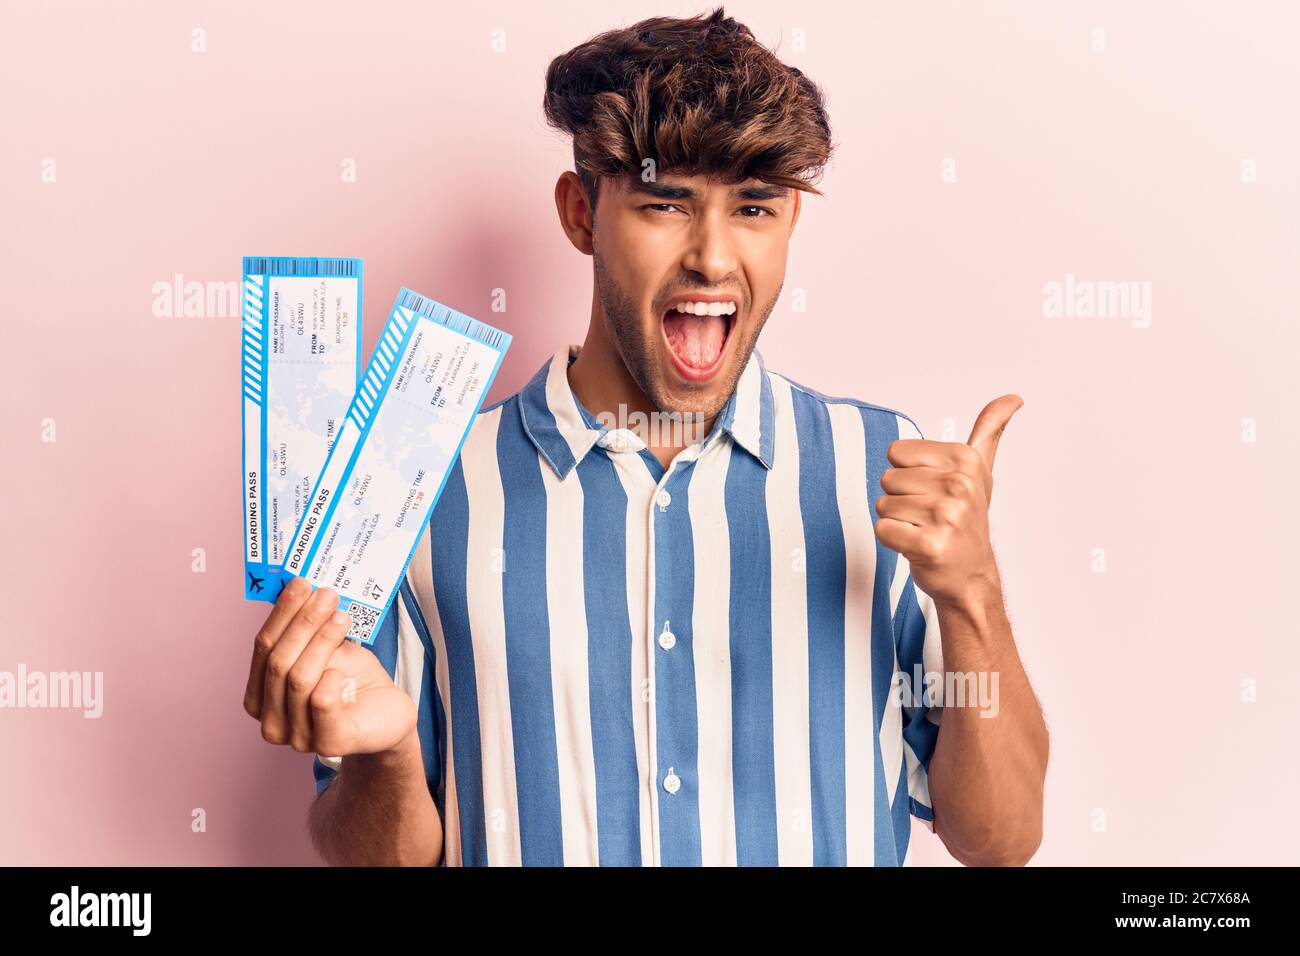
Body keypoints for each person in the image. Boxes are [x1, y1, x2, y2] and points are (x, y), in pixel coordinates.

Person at [243, 6, 1048, 866]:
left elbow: (999, 839)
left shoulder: (883, 474)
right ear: (581, 214)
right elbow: (376, 854)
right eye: (667, 204)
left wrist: (972, 595)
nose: (711, 256)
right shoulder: (423, 488)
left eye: (754, 208)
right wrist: (391, 758)